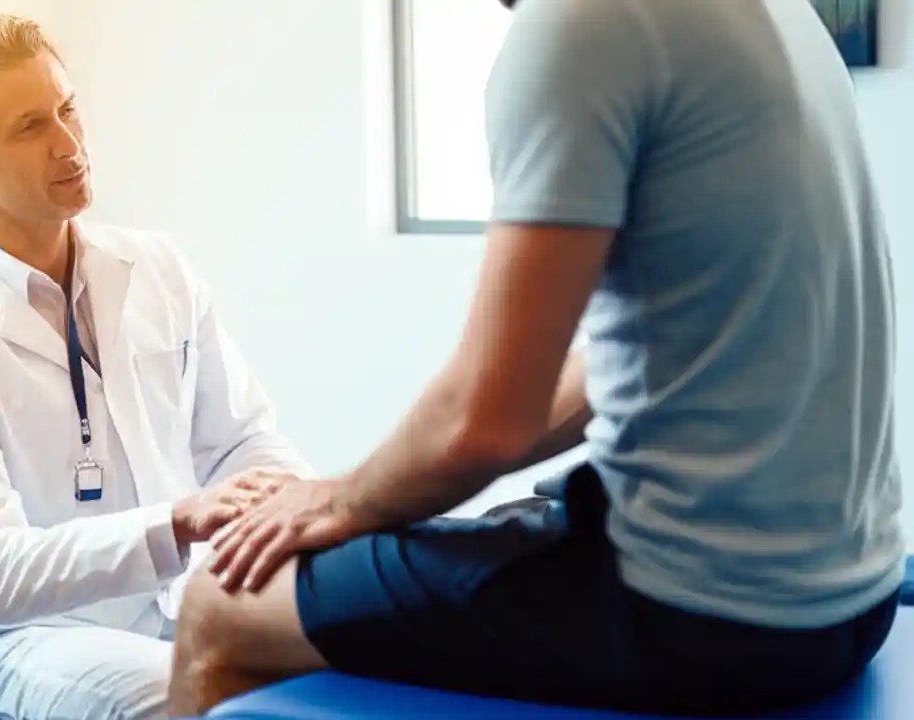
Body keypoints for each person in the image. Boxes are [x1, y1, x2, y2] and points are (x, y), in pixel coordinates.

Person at [168, 0, 903, 716]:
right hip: (848, 601)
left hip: (699, 614)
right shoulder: (784, 15)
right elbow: (641, 361)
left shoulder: (580, 23)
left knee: (219, 604)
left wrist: (341, 501)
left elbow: (481, 425)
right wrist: (358, 499)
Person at [0, 14, 311, 720]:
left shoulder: (157, 268)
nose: (70, 144)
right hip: (34, 640)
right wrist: (175, 524)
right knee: (202, 700)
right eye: (30, 127)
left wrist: (295, 508)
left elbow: (240, 440)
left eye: (69, 108)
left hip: (190, 601)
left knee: (376, 643)